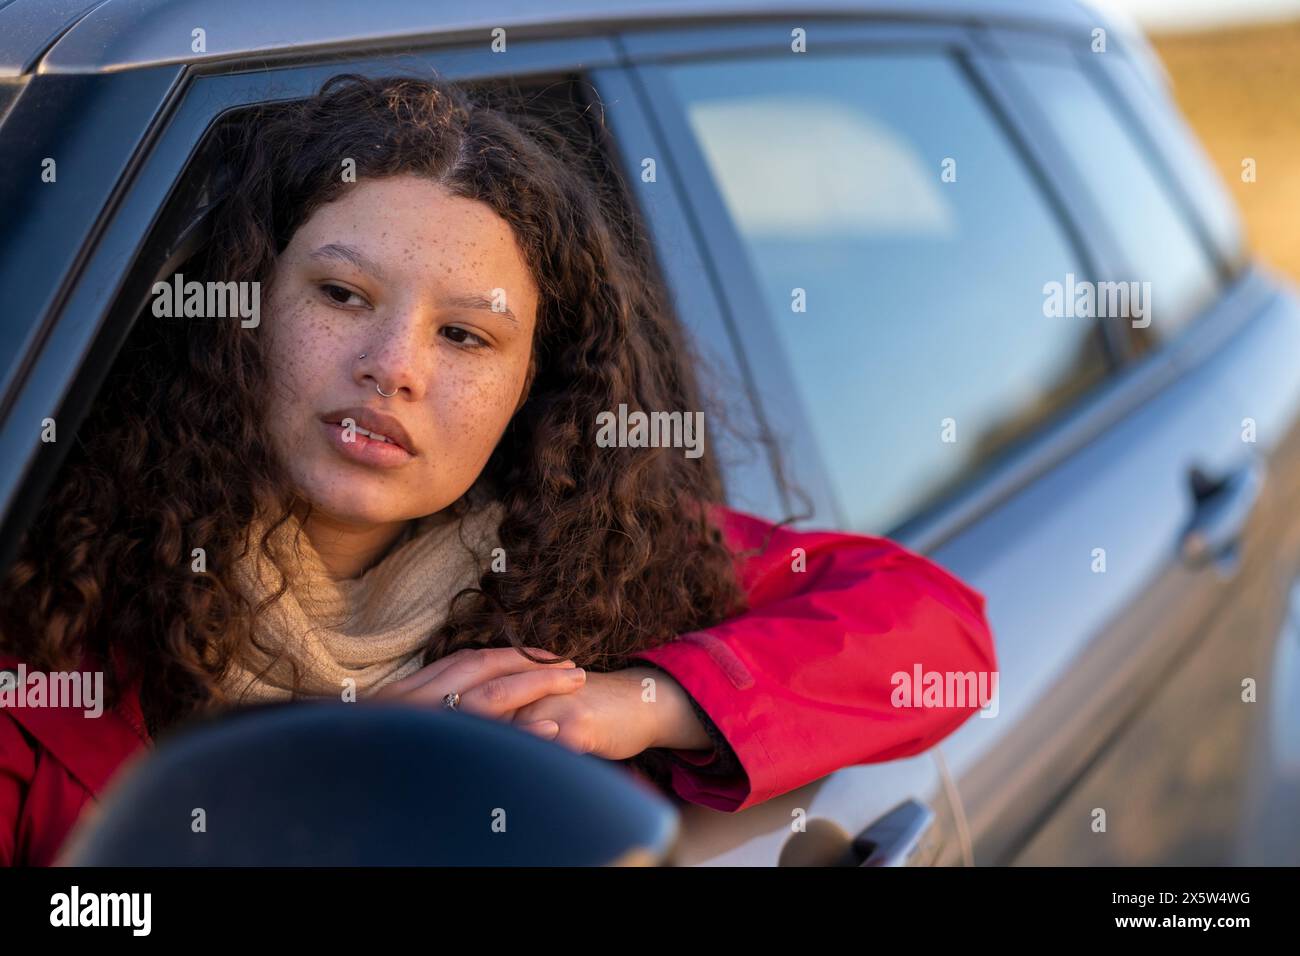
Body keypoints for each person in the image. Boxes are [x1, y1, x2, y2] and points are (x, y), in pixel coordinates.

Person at [0, 74, 996, 866]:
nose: (393, 364)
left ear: (533, 385)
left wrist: (643, 699)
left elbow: (942, 638)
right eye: (342, 293)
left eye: (466, 335)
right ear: (243, 309)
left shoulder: (603, 562)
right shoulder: (48, 618)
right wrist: (343, 769)